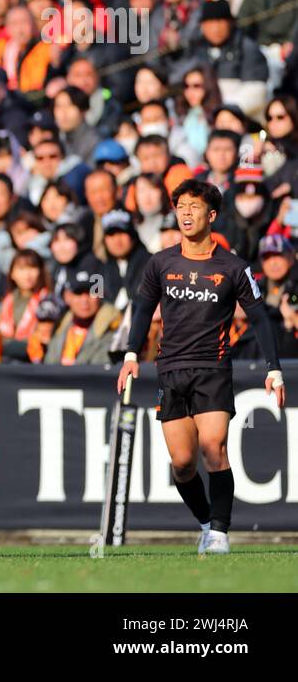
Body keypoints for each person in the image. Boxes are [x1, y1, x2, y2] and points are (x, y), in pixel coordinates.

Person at [119, 180, 286, 555]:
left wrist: (273, 369)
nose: (186, 213)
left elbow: (259, 318)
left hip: (212, 368)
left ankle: (221, 535)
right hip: (171, 369)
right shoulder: (161, 263)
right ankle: (208, 523)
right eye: (180, 206)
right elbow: (144, 309)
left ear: (211, 215)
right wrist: (131, 356)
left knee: (214, 446)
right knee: (181, 463)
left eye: (194, 206)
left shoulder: (233, 267)